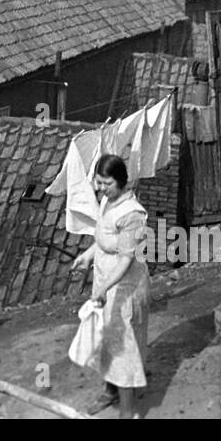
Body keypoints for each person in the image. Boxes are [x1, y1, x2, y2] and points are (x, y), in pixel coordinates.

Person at [71, 153, 149, 418]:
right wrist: (87, 255)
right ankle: (110, 390)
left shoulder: (133, 214)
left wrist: (105, 288)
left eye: (107, 184)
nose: (102, 189)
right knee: (105, 336)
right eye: (99, 183)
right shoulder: (107, 200)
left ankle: (128, 411)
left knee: (123, 343)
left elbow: (127, 258)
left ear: (122, 182)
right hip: (105, 275)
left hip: (125, 283)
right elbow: (103, 237)